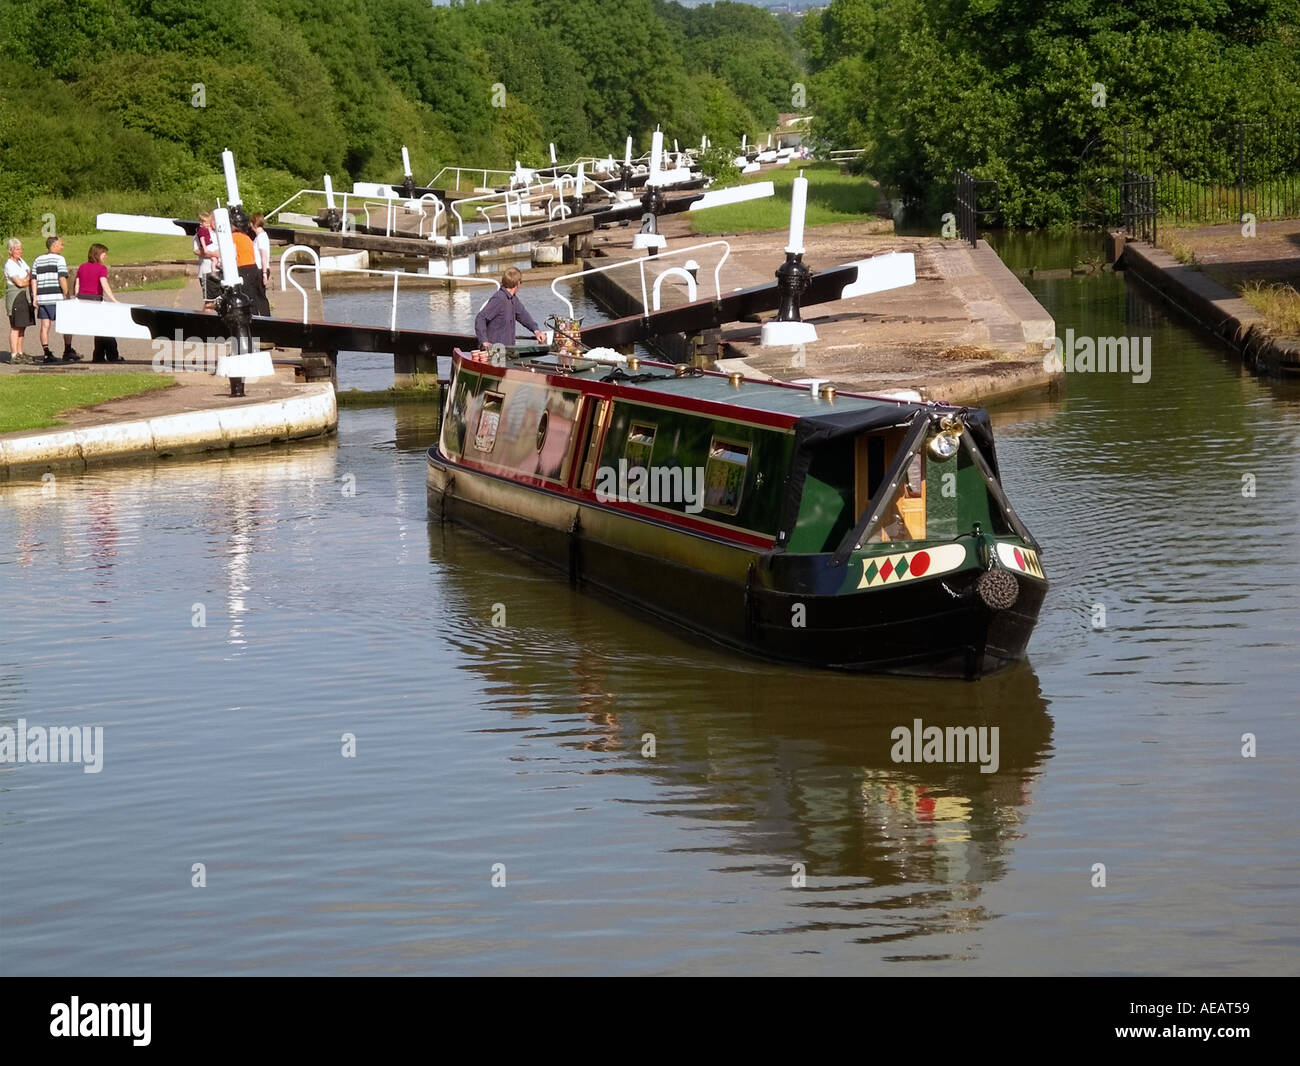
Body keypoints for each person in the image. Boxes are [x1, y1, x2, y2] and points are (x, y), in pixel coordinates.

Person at [32, 235, 81, 363]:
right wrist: (67, 294)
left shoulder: (38, 260)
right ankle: (67, 350)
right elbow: (62, 278)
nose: (62, 247)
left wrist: (35, 296)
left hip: (43, 297)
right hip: (56, 297)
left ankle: (47, 352)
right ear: (54, 245)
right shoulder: (59, 259)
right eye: (61, 244)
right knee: (67, 323)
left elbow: (33, 279)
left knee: (45, 325)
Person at [74, 243, 122, 363]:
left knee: (99, 328)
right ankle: (112, 355)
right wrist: (114, 300)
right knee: (107, 328)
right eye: (104, 254)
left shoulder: (82, 267)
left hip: (83, 299)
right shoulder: (101, 269)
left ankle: (99, 355)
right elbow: (104, 284)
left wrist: (77, 297)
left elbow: (77, 285)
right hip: (95, 300)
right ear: (98, 254)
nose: (105, 256)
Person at [474, 267, 546, 348]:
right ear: (518, 284)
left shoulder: (513, 298)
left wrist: (536, 331)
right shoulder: (499, 299)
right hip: (495, 351)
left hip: (508, 349)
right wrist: (484, 341)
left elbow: (523, 315)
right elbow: (480, 318)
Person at [5, 237, 35, 363]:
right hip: (15, 297)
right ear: (11, 250)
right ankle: (13, 354)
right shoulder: (9, 264)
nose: (19, 251)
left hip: (25, 296)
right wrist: (27, 279)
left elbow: (30, 274)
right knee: (15, 326)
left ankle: (20, 352)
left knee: (23, 326)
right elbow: (20, 283)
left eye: (20, 248)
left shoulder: (21, 261)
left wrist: (26, 279)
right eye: (17, 249)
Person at [195, 211, 220, 310]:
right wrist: (214, 254)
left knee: (218, 301)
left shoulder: (216, 234)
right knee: (209, 302)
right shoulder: (200, 233)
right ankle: (205, 321)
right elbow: (197, 250)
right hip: (207, 272)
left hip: (219, 270)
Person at [251, 213, 272, 316]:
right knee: (258, 295)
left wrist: (264, 273)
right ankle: (261, 315)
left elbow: (263, 255)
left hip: (260, 269)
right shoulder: (260, 236)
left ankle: (265, 316)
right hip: (260, 268)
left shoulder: (261, 237)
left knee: (260, 296)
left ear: (253, 224)